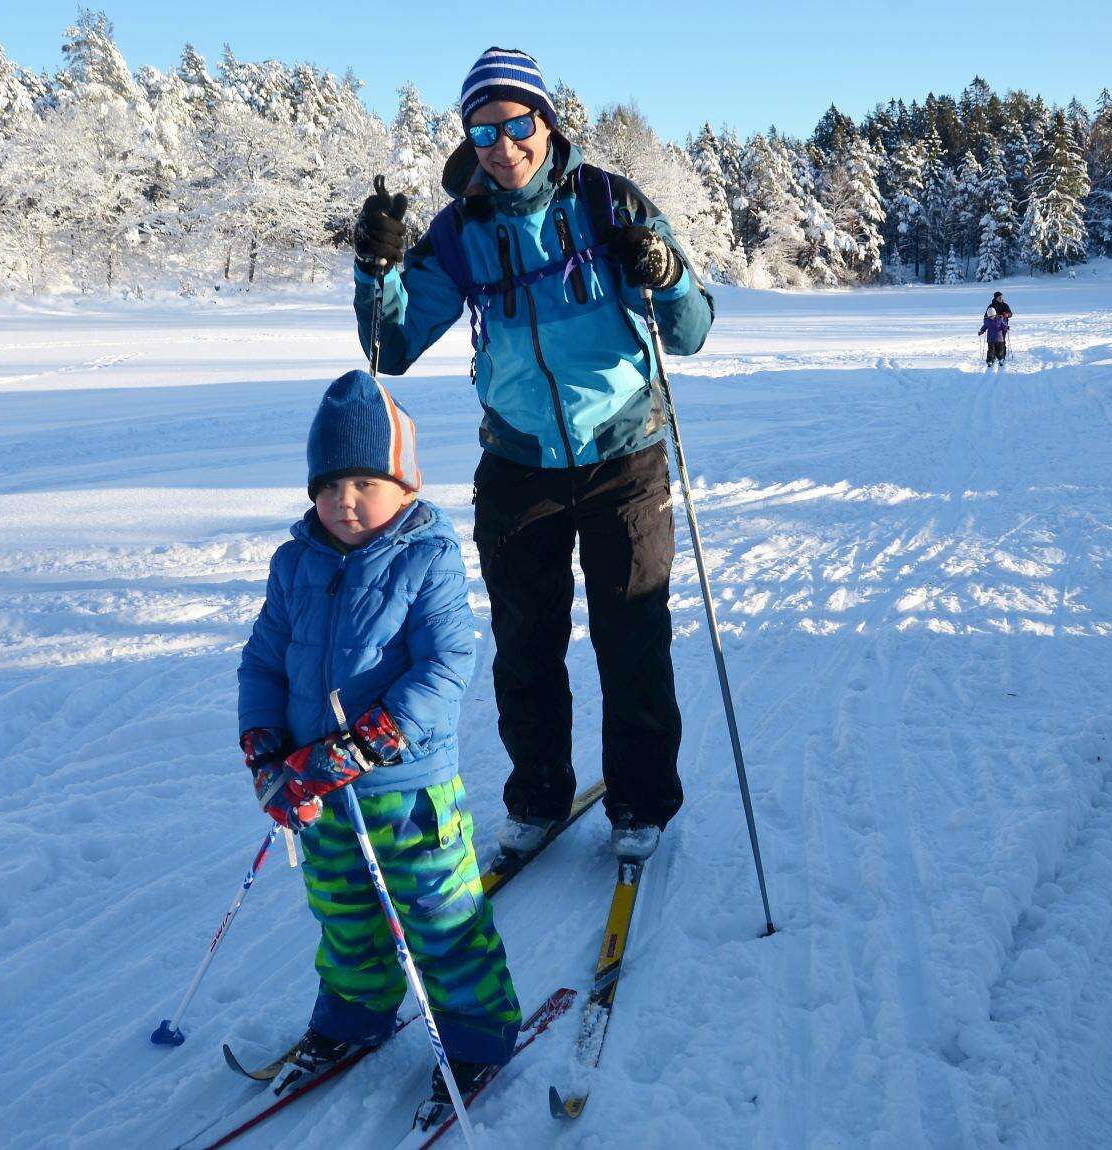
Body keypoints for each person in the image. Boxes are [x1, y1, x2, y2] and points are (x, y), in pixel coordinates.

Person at [351, 47, 716, 863]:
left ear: (547, 124)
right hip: (519, 461)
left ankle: (641, 803)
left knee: (632, 636)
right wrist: (376, 268)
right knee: (525, 643)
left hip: (624, 452)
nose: (502, 144)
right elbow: (392, 344)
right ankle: (540, 797)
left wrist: (664, 271)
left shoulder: (607, 203)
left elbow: (689, 331)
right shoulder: (459, 233)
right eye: (483, 129)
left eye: (517, 123)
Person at [238, 369, 522, 1106]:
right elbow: (265, 659)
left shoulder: (425, 557)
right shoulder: (294, 563)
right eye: (330, 486)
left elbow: (447, 663)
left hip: (408, 792)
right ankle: (356, 1016)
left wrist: (370, 742)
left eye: (366, 482)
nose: (345, 501)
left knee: (439, 913)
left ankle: (477, 1034)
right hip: (316, 791)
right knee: (343, 914)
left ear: (405, 485)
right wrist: (264, 745)